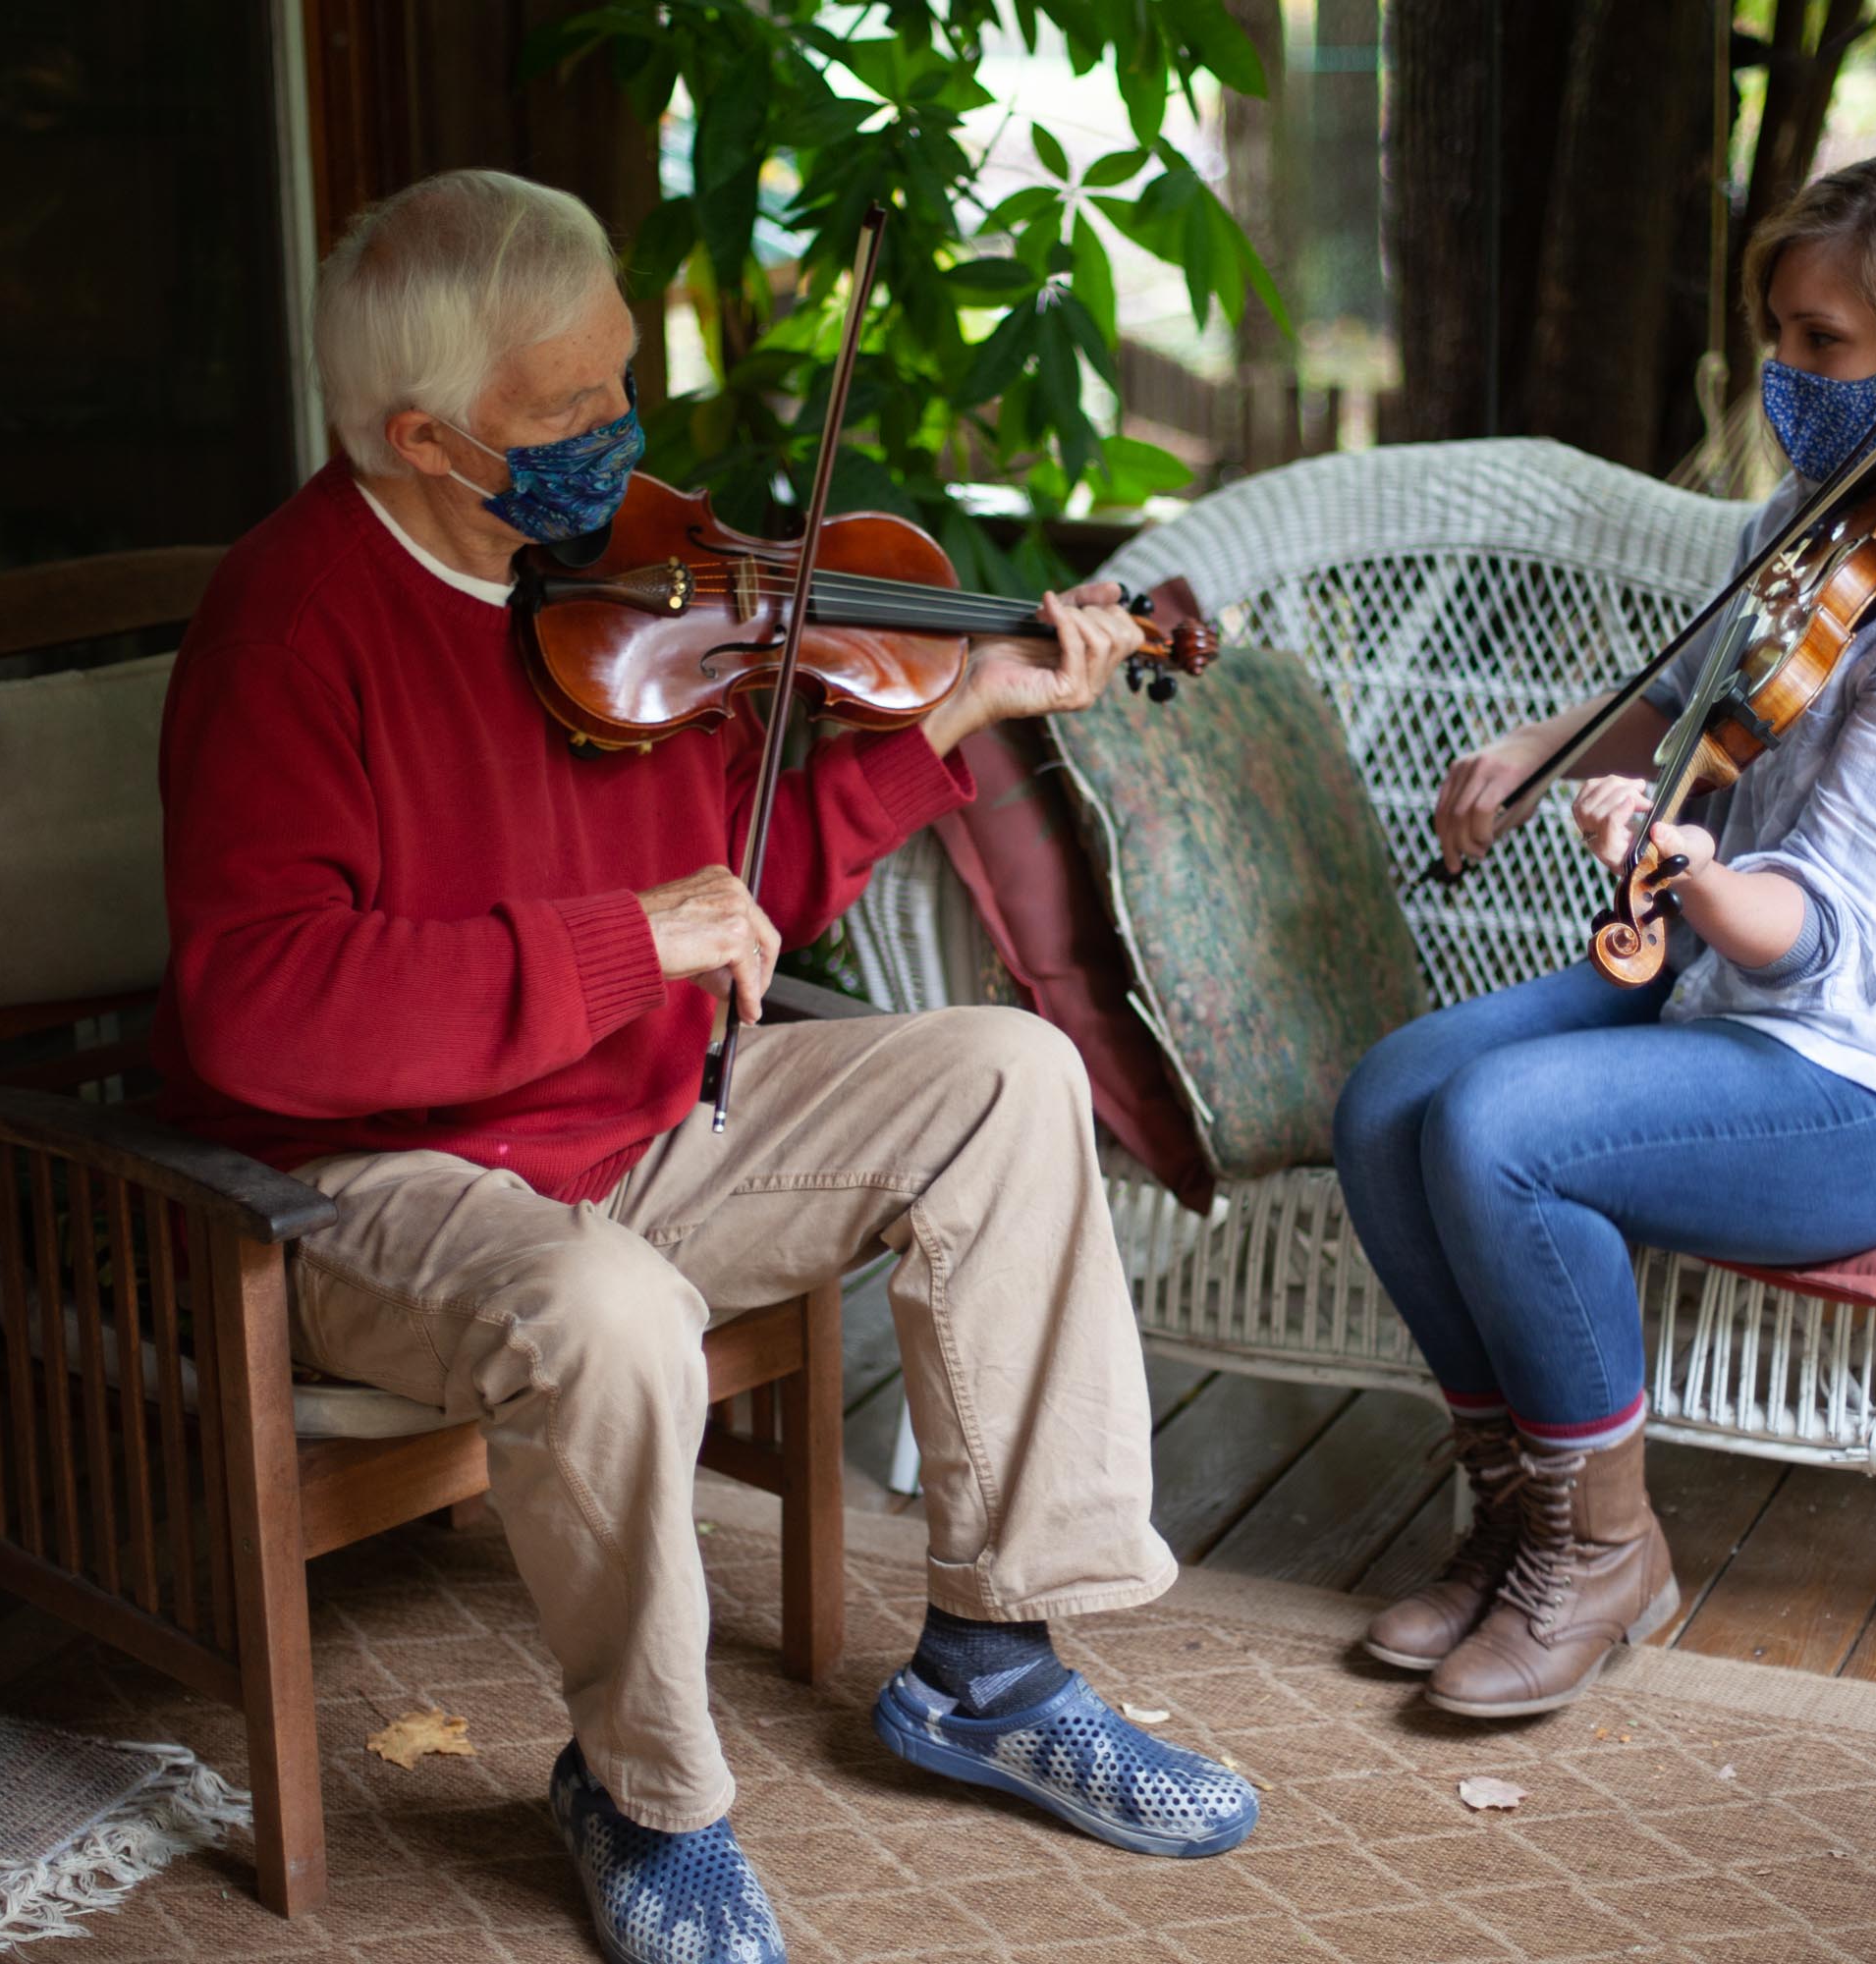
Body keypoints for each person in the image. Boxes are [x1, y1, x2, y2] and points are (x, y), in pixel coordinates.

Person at [156, 168, 1252, 1964]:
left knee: (1005, 1073)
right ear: (426, 436)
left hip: (642, 1117)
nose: (624, 432)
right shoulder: (290, 627)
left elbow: (749, 898)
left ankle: (993, 1663)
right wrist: (623, 941)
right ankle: (642, 1793)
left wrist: (960, 713)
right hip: (376, 1175)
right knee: (608, 1313)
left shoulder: (622, 582)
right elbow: (260, 1011)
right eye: (569, 410)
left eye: (621, 376)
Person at [1331, 148, 1876, 1719]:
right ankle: (1528, 1516)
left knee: (1499, 1130)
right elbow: (1707, 706)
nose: (1786, 376)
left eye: (1828, 346)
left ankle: (1605, 1554)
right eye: (1782, 335)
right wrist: (1555, 747)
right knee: (1394, 1093)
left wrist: (1681, 867)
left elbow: (1809, 925)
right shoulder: (1837, 507)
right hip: (1727, 1005)